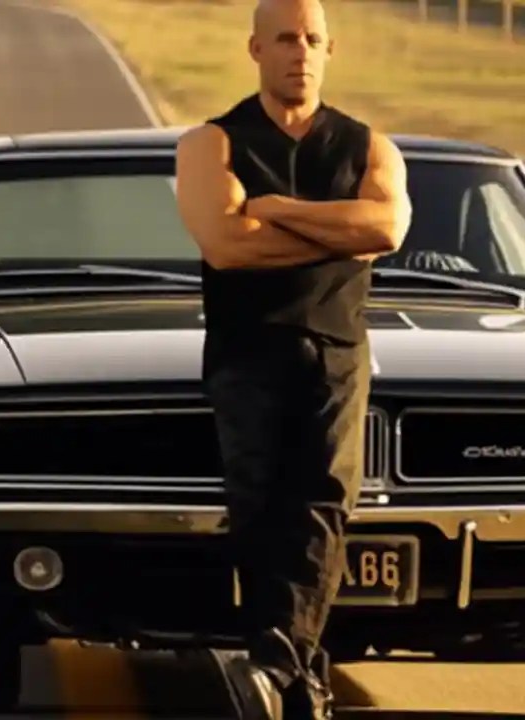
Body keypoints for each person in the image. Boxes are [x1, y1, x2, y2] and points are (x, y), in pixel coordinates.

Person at [174, 0, 412, 717]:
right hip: (247, 346)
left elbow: (385, 230)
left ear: (329, 49)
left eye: (312, 39)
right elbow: (227, 246)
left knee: (324, 503)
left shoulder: (370, 146)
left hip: (340, 349)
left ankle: (275, 665)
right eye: (284, 38)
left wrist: (274, 208)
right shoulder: (211, 143)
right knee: (260, 504)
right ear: (256, 49)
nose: (299, 51)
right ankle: (297, 675)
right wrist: (336, 233)